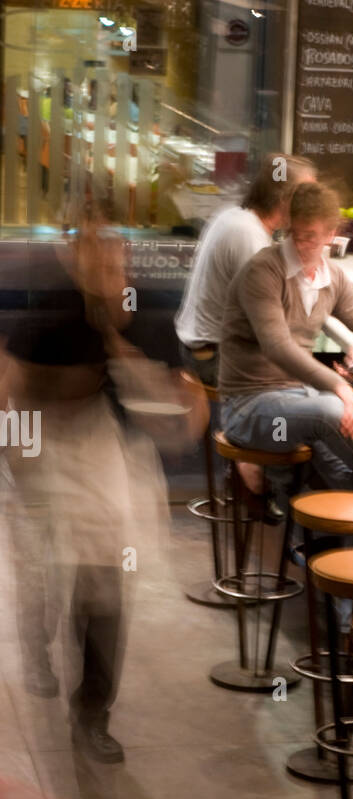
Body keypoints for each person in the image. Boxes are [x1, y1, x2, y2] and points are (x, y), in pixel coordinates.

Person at [1, 201, 203, 763]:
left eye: (114, 251)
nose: (105, 259)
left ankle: (92, 711)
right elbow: (9, 381)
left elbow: (184, 405)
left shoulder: (139, 309)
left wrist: (126, 350)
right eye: (89, 246)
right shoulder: (43, 294)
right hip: (36, 427)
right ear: (71, 251)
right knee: (43, 554)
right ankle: (37, 642)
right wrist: (18, 457)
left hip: (92, 434)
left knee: (106, 570)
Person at [218, 182, 353, 494]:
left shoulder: (332, 278)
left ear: (331, 234)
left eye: (310, 236)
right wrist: (340, 386)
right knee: (333, 411)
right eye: (295, 233)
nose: (300, 243)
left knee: (346, 477)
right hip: (246, 409)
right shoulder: (263, 271)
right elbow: (277, 346)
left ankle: (345, 536)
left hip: (299, 404)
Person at [175, 153, 315, 389]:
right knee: (311, 389)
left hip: (204, 348)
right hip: (213, 359)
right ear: (285, 200)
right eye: (308, 198)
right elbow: (271, 325)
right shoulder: (248, 236)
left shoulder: (236, 217)